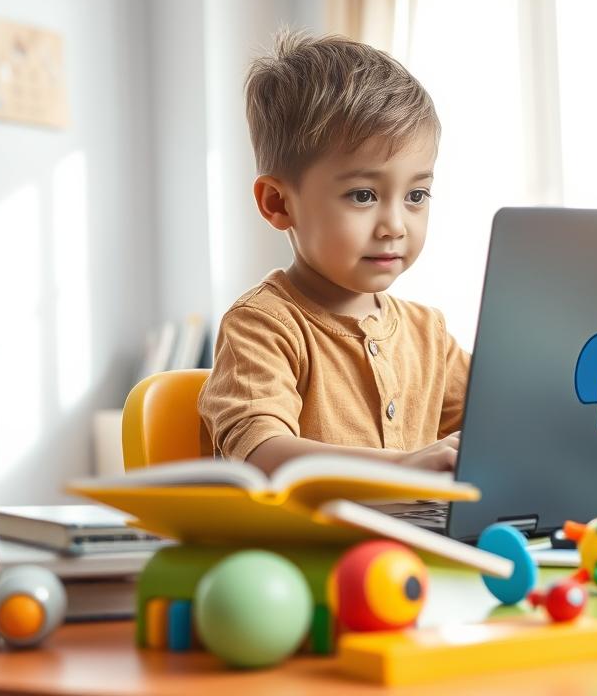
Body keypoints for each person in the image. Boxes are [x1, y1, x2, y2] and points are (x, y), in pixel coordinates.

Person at [199, 31, 466, 474]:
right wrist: (400, 466)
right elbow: (263, 454)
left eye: (416, 196)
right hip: (301, 546)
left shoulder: (428, 334)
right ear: (279, 203)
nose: (395, 226)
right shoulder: (262, 326)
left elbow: (501, 423)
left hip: (408, 542)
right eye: (363, 195)